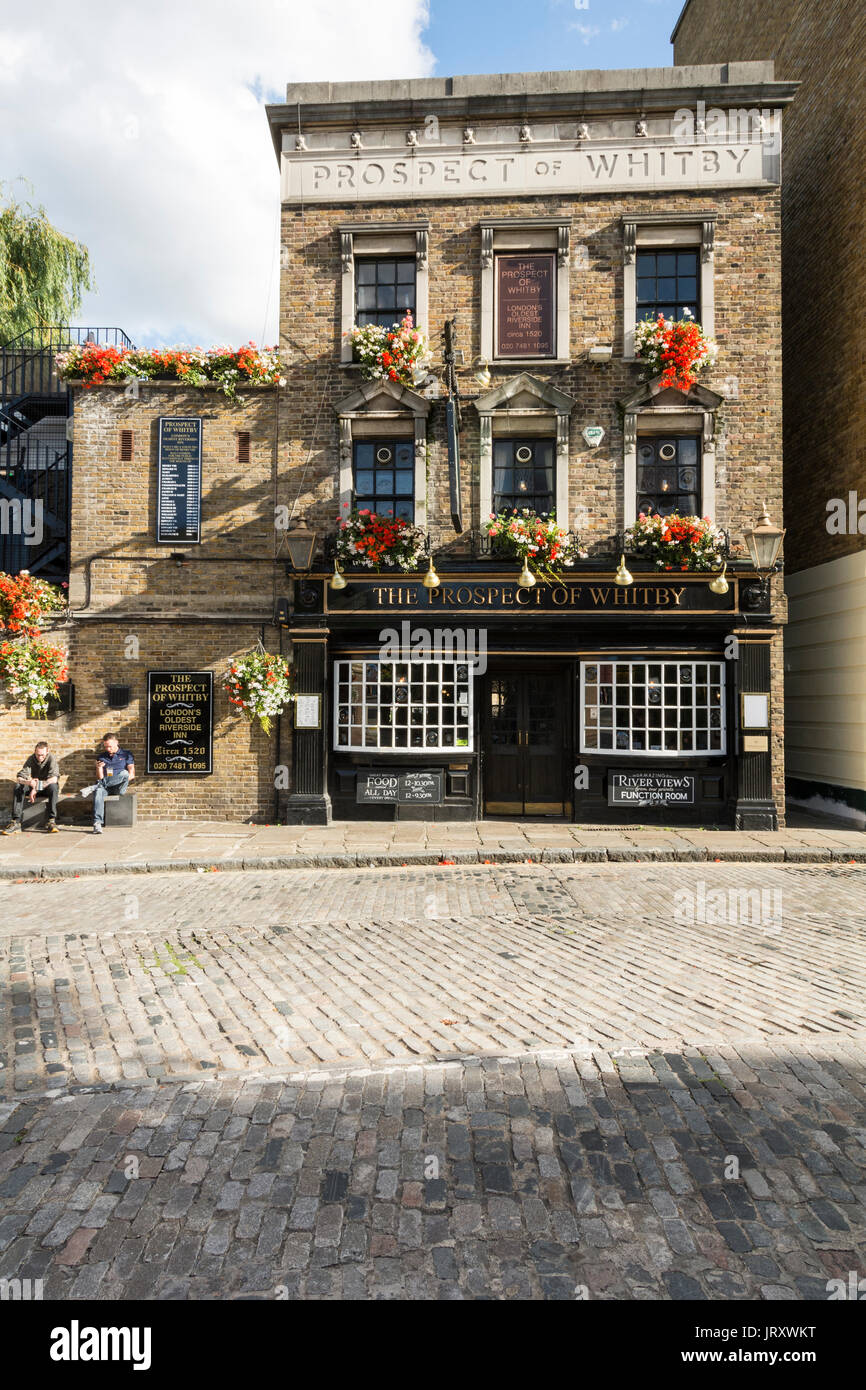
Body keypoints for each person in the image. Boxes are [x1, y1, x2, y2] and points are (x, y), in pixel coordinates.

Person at [81, 733, 135, 834]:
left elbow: (131, 775)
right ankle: (97, 823)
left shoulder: (126, 754)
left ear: (116, 743)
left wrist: (121, 778)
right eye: (106, 746)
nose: (108, 749)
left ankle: (96, 786)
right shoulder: (102, 757)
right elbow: (100, 777)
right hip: (106, 787)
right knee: (99, 791)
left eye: (110, 746)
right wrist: (99, 768)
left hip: (119, 787)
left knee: (125, 773)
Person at [2, 741, 60, 833]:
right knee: (18, 787)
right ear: (35, 752)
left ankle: (51, 821)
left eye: (42, 755)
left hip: (46, 787)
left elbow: (54, 779)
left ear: (47, 751)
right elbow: (19, 778)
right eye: (37, 755)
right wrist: (29, 782)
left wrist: (36, 788)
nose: (40, 757)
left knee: (54, 787)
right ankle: (16, 822)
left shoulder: (51, 759)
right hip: (34, 785)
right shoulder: (31, 759)